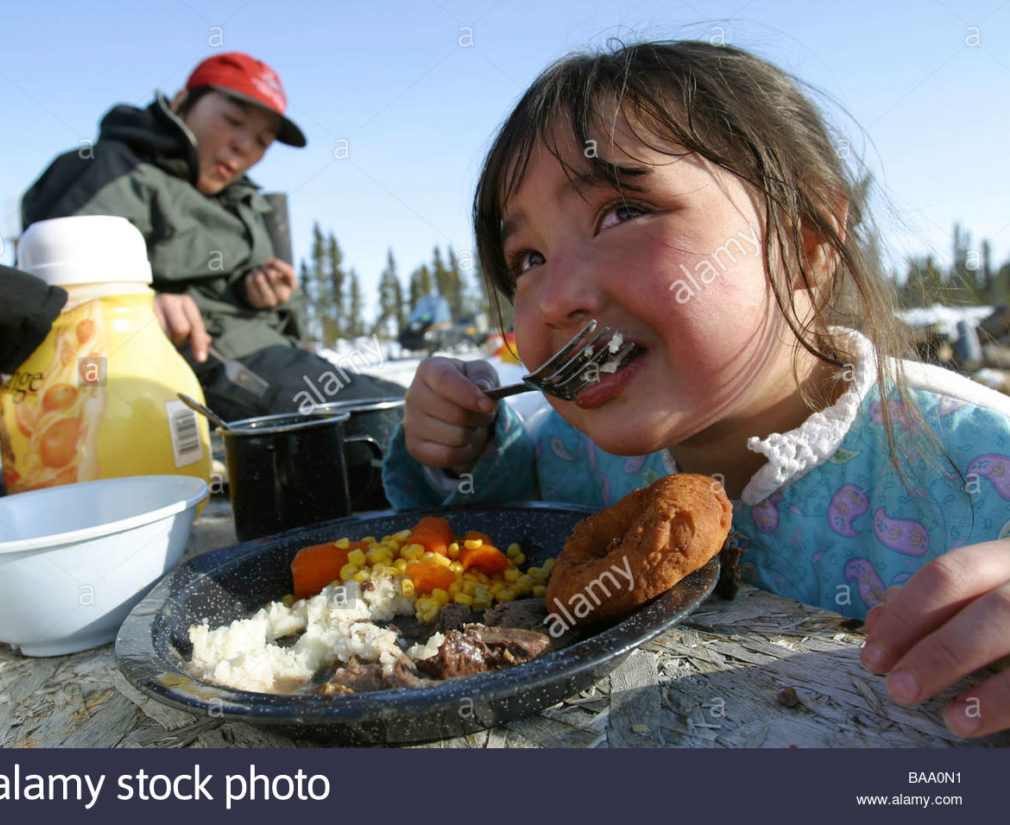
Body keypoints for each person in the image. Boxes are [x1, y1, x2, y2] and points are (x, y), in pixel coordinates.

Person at [382, 40, 1010, 738]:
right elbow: (474, 520)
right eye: (527, 258)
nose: (555, 297)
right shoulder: (564, 456)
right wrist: (461, 447)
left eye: (622, 212)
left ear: (805, 241)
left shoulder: (977, 462)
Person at [21, 51, 402, 421]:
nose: (244, 146)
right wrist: (140, 308)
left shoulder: (241, 201)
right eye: (233, 120)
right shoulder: (114, 170)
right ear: (183, 101)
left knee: (414, 410)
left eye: (262, 142)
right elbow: (47, 293)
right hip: (195, 365)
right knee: (393, 430)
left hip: (271, 359)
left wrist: (260, 293)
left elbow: (259, 315)